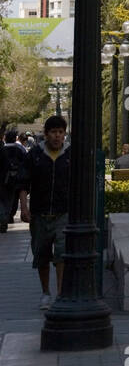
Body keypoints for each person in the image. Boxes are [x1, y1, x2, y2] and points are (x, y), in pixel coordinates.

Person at [19, 115, 71, 309]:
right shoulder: (35, 155)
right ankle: (45, 293)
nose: (57, 136)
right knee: (41, 255)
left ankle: (59, 294)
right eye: (53, 132)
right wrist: (24, 207)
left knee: (61, 255)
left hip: (63, 214)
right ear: (46, 134)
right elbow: (23, 183)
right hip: (39, 214)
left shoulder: (70, 154)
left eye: (60, 132)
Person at [0, 130, 29, 231]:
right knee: (11, 200)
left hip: (2, 180)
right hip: (15, 180)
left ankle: (3, 218)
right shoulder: (20, 150)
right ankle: (8, 216)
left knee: (3, 200)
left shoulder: (2, 149)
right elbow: (26, 164)